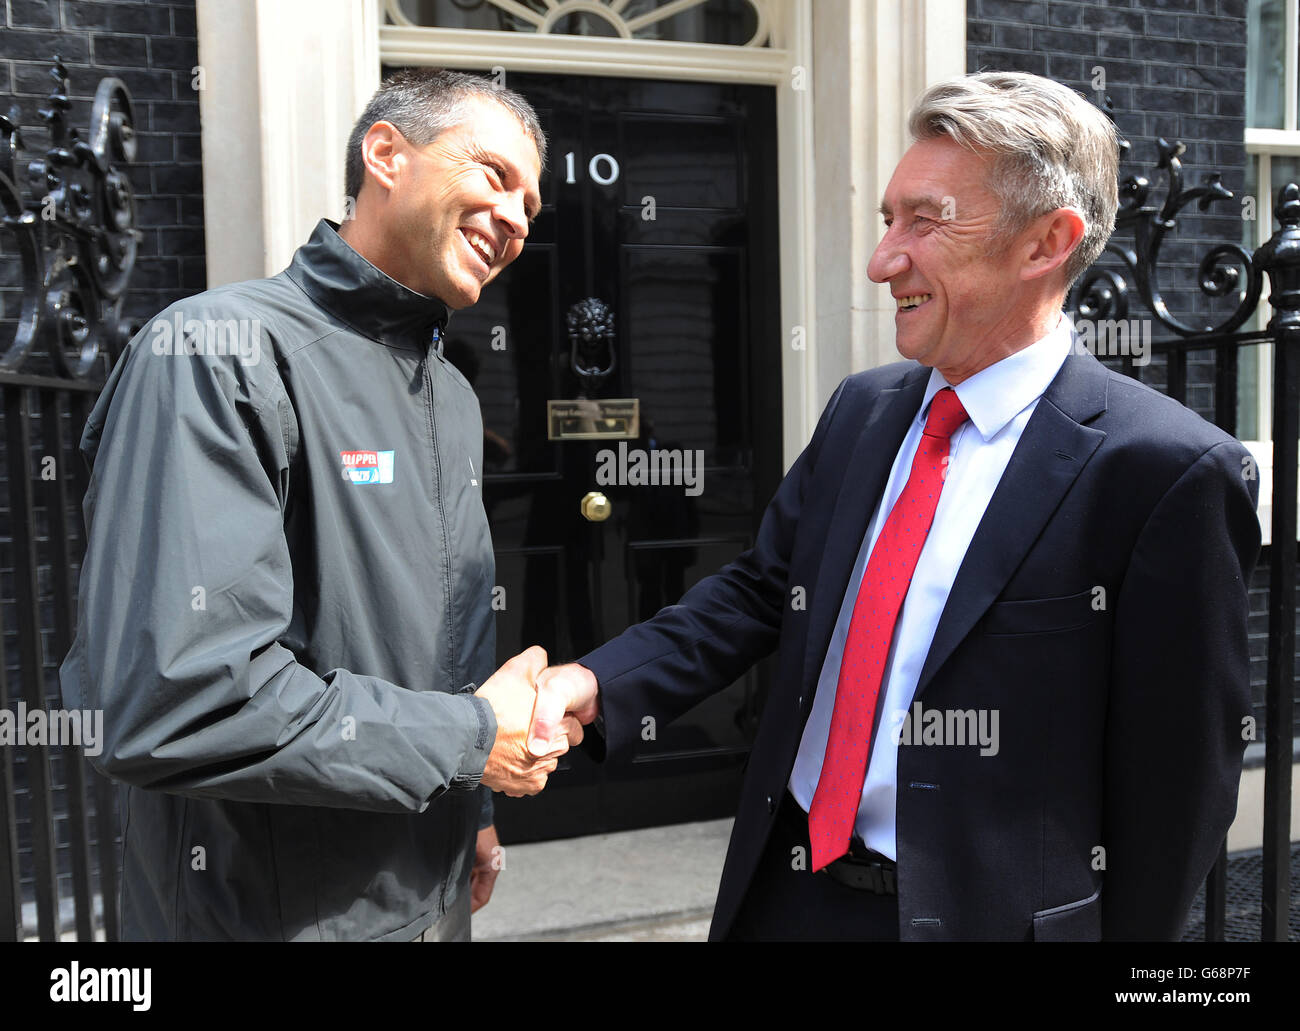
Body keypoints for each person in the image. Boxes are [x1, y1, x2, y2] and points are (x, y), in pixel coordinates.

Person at [533, 71, 1262, 941]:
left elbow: (1178, 785)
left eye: (926, 220)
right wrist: (598, 679)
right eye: (888, 219)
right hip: (787, 888)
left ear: (1046, 243)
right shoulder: (864, 409)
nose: (883, 261)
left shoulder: (1164, 470)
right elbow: (765, 590)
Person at [59, 69, 586, 942]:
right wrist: (468, 740)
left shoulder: (450, 395)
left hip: (430, 896)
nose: (518, 220)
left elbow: (437, 646)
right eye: (495, 175)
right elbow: (174, 701)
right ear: (386, 154)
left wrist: (473, 806)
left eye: (532, 205)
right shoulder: (216, 356)